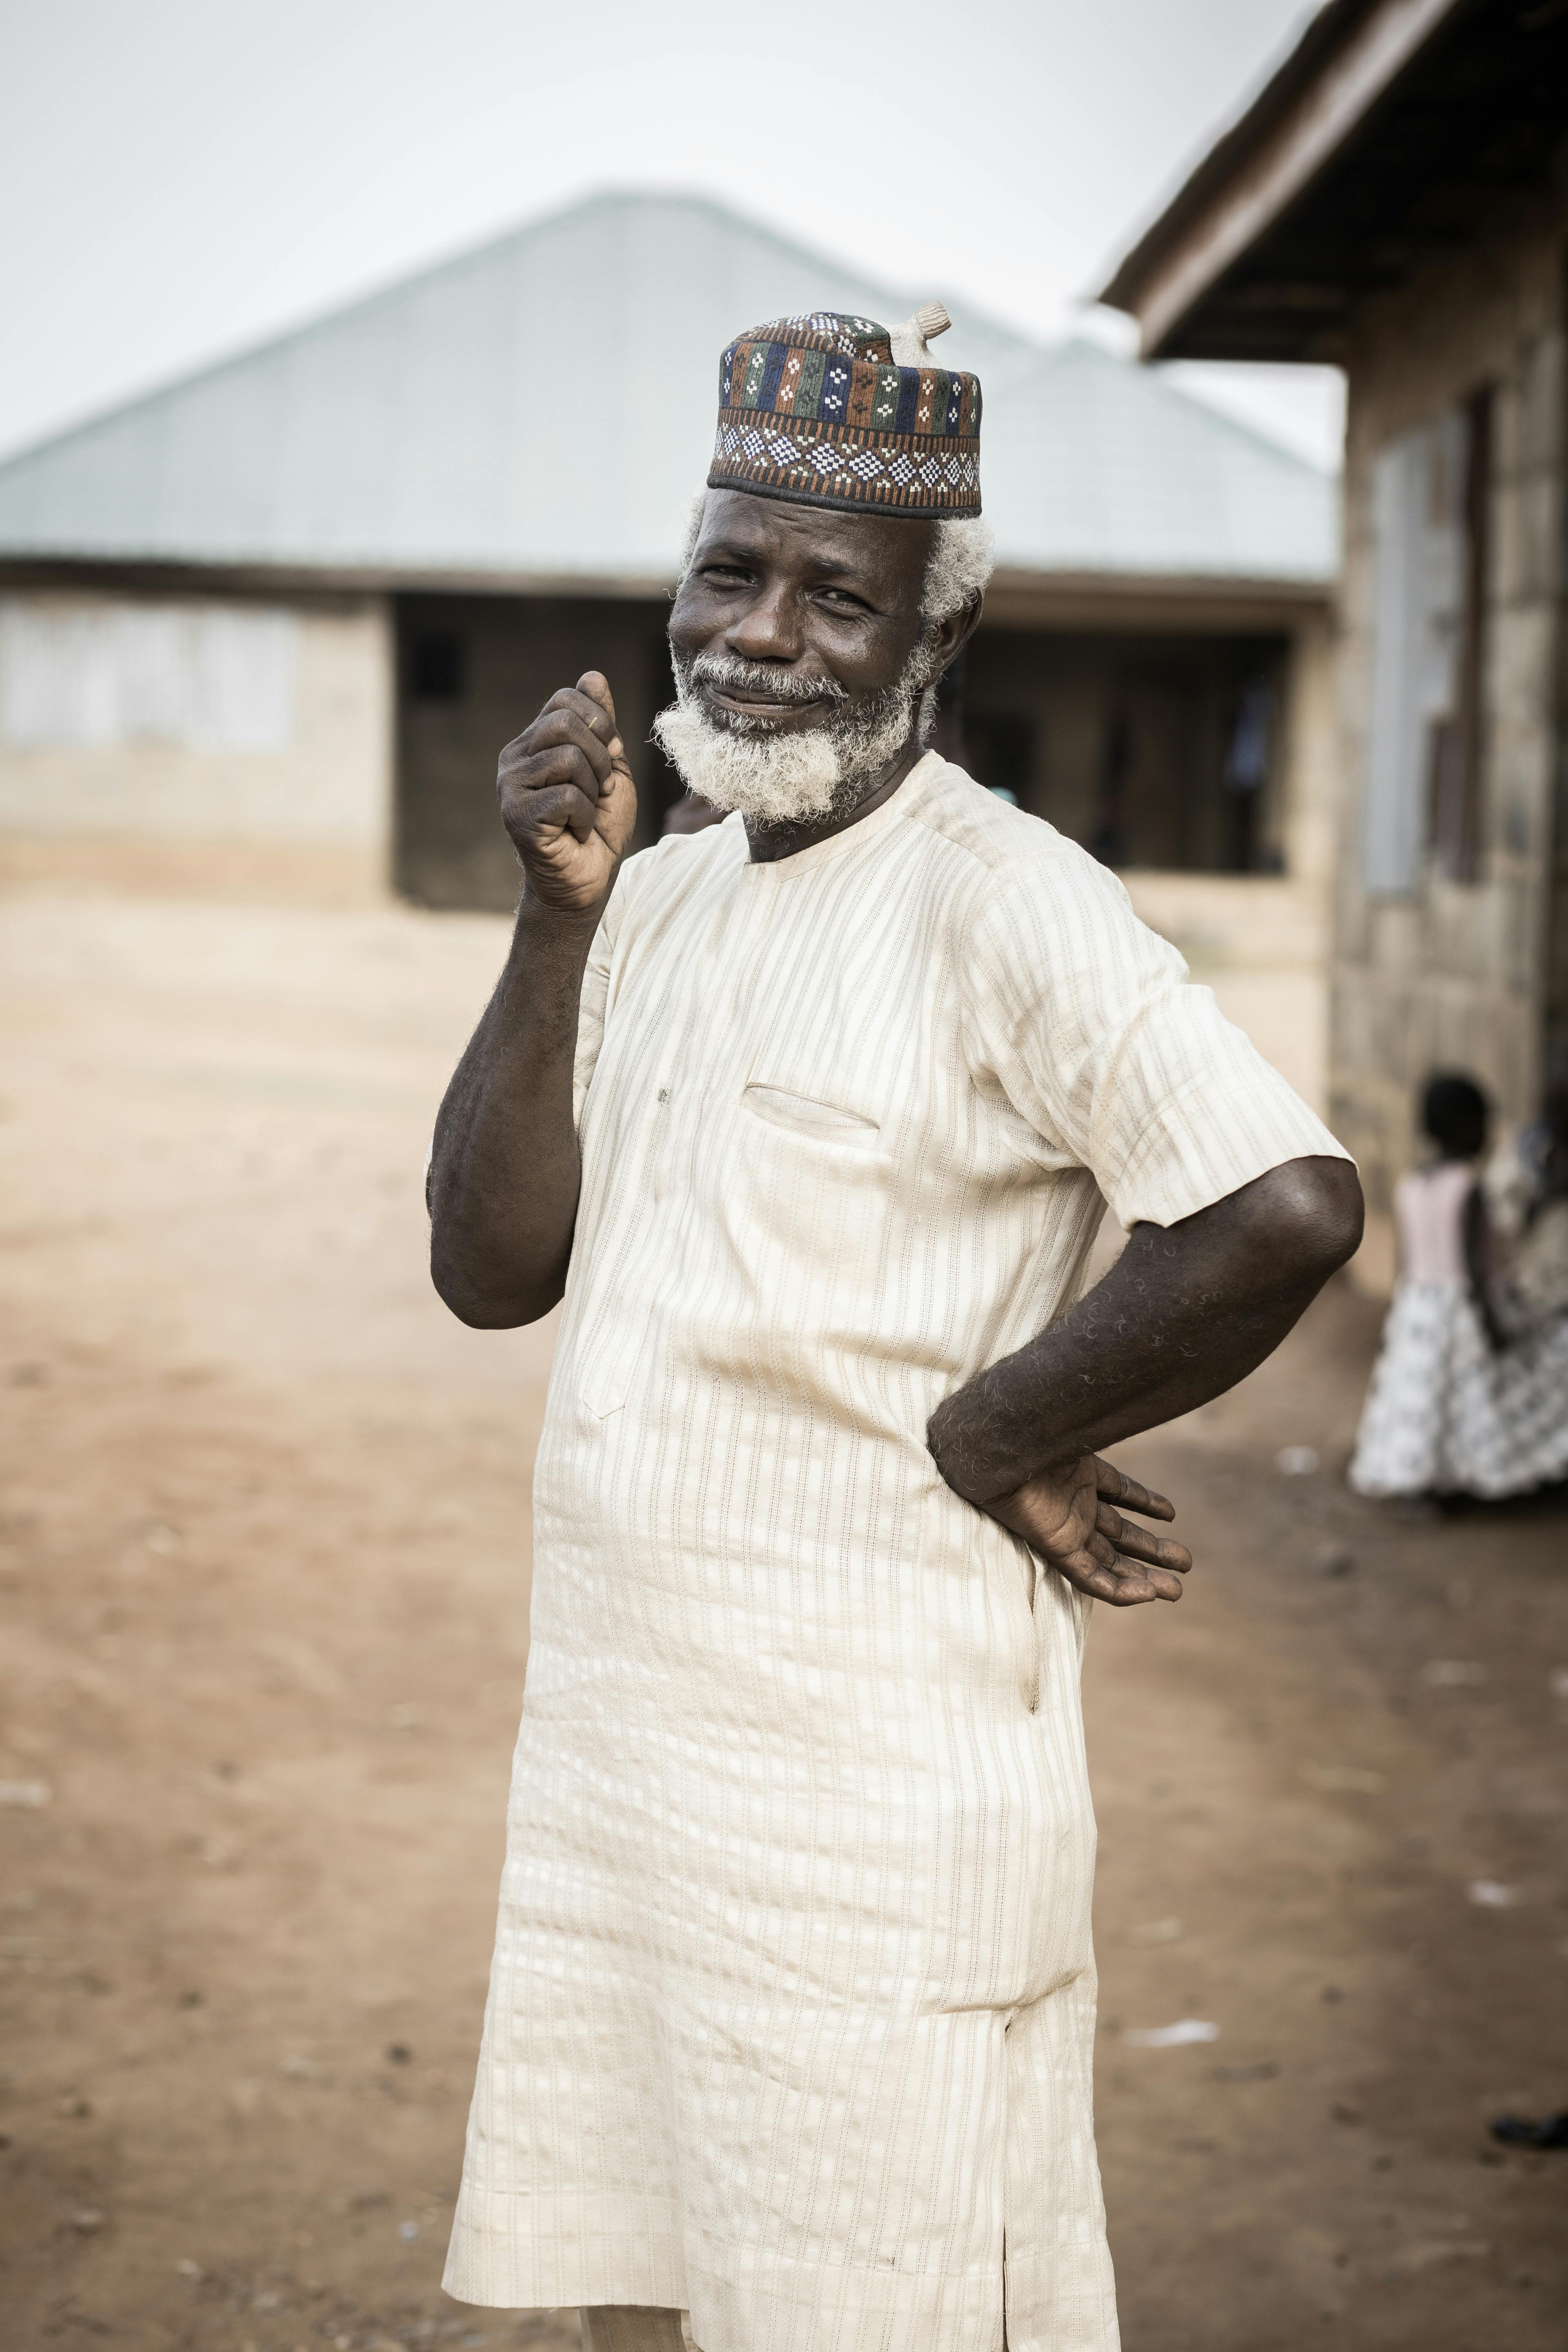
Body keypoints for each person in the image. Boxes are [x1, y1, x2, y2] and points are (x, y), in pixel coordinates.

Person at [427, 305, 1362, 2352]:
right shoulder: (655, 893)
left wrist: (997, 1427)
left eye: (832, 597)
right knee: (648, 2262)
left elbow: (1281, 1202)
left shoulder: (1002, 899)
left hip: (863, 1795)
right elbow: (495, 1269)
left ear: (933, 638)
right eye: (725, 573)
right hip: (627, 1762)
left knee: (876, 2287)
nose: (757, 633)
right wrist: (553, 920)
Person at [1350, 1071, 1568, 1500]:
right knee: (1469, 1401)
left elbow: (1408, 1262)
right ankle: (1482, 1475)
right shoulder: (1469, 1188)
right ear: (1466, 1127)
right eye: (1484, 1124)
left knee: (1422, 1398)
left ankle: (1422, 1480)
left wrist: (1402, 1316)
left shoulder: (1411, 1183)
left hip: (1419, 1308)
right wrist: (1493, 1325)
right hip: (1461, 1312)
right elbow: (1473, 1272)